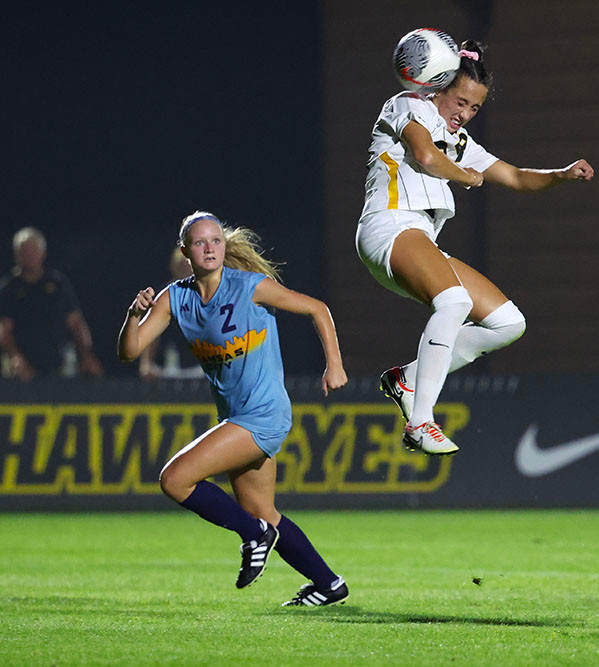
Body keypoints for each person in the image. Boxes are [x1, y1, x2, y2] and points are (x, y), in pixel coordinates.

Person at [357, 40, 594, 456]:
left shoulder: (460, 141)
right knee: (453, 302)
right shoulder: (408, 105)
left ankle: (406, 379)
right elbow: (427, 157)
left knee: (507, 323)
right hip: (387, 227)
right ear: (439, 88)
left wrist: (561, 174)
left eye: (474, 109)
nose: (464, 114)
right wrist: (465, 177)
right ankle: (420, 422)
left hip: (418, 239)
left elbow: (518, 178)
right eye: (460, 102)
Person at [118, 211, 350, 607]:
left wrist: (335, 364)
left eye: (216, 241)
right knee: (263, 512)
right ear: (184, 251)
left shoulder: (251, 287)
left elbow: (318, 308)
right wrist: (133, 316)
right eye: (200, 243)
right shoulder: (176, 297)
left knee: (175, 480)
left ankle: (254, 534)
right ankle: (329, 584)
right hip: (236, 417)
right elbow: (130, 351)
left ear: (224, 247)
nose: (209, 248)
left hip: (263, 415)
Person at [0, 227, 104, 380]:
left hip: (58, 361)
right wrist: (17, 358)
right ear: (16, 254)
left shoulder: (57, 283)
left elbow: (76, 323)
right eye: (24, 251)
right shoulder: (9, 288)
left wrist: (86, 355)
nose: (29, 255)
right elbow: (4, 330)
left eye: (33, 250)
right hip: (21, 365)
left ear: (43, 253)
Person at [138, 248, 203, 380]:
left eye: (189, 265)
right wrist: (146, 364)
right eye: (182, 265)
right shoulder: (162, 297)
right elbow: (151, 334)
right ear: (174, 267)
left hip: (199, 367)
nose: (186, 270)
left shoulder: (207, 295)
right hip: (167, 367)